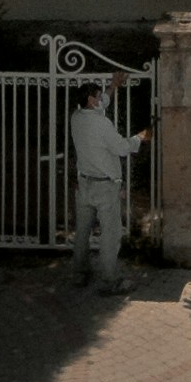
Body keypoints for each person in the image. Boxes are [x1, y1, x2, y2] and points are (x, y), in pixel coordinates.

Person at [68, 83, 140, 294]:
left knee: (82, 230)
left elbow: (101, 105)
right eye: (98, 97)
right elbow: (122, 148)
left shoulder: (76, 118)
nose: (102, 100)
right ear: (91, 100)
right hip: (104, 186)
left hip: (84, 184)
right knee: (110, 234)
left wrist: (112, 86)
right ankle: (110, 281)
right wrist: (141, 138)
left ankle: (79, 273)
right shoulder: (102, 124)